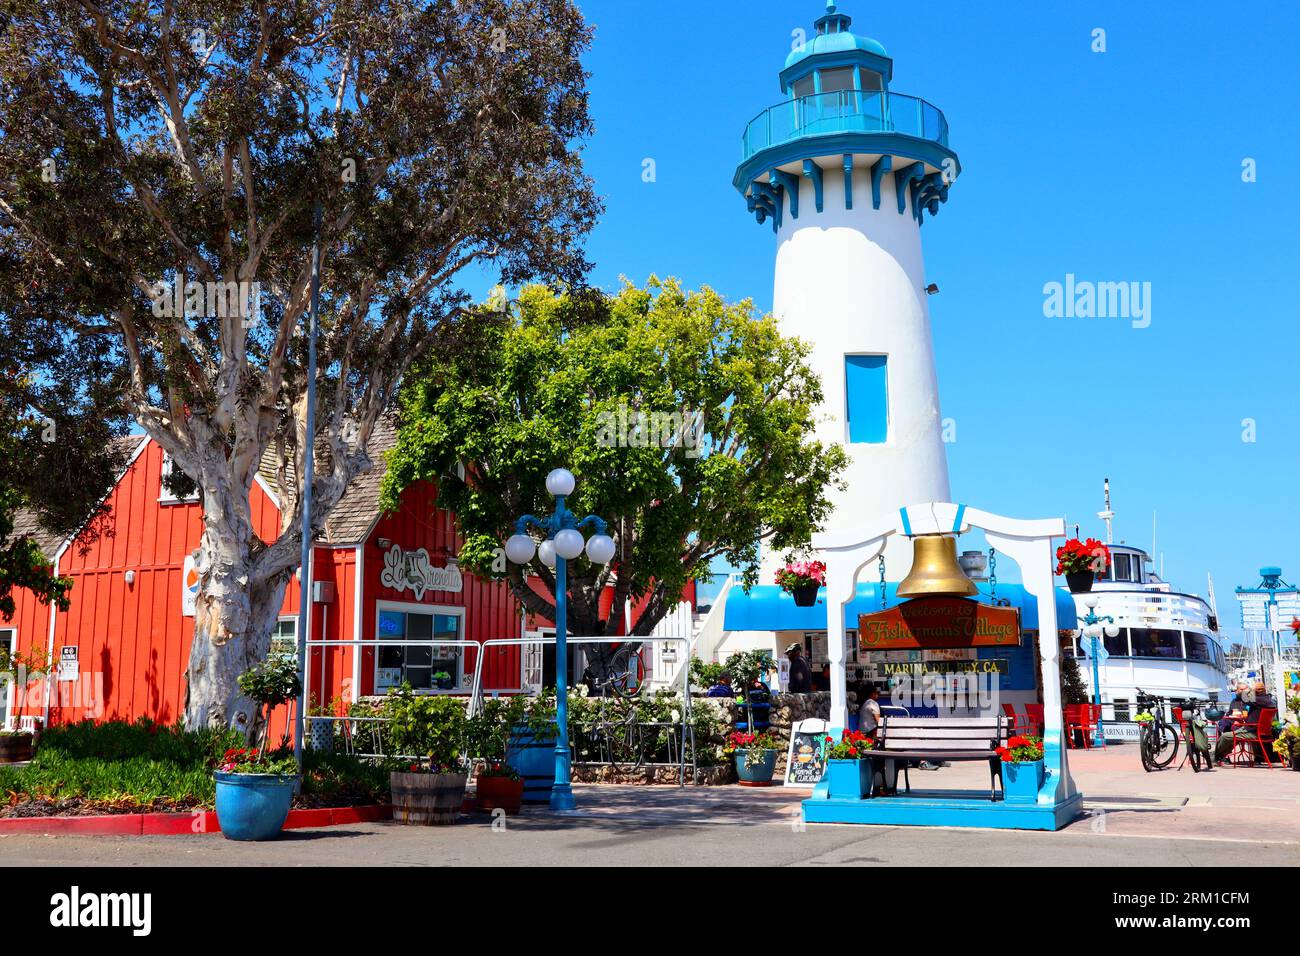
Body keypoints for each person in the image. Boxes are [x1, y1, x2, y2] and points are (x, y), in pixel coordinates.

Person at [1215, 681, 1271, 765]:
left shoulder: (1258, 700)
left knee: (1225, 736)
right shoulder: (1267, 700)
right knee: (1231, 735)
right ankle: (1221, 756)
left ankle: (1217, 756)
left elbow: (1243, 698)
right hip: (1261, 731)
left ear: (1256, 691)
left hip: (1251, 731)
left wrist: (1243, 691)